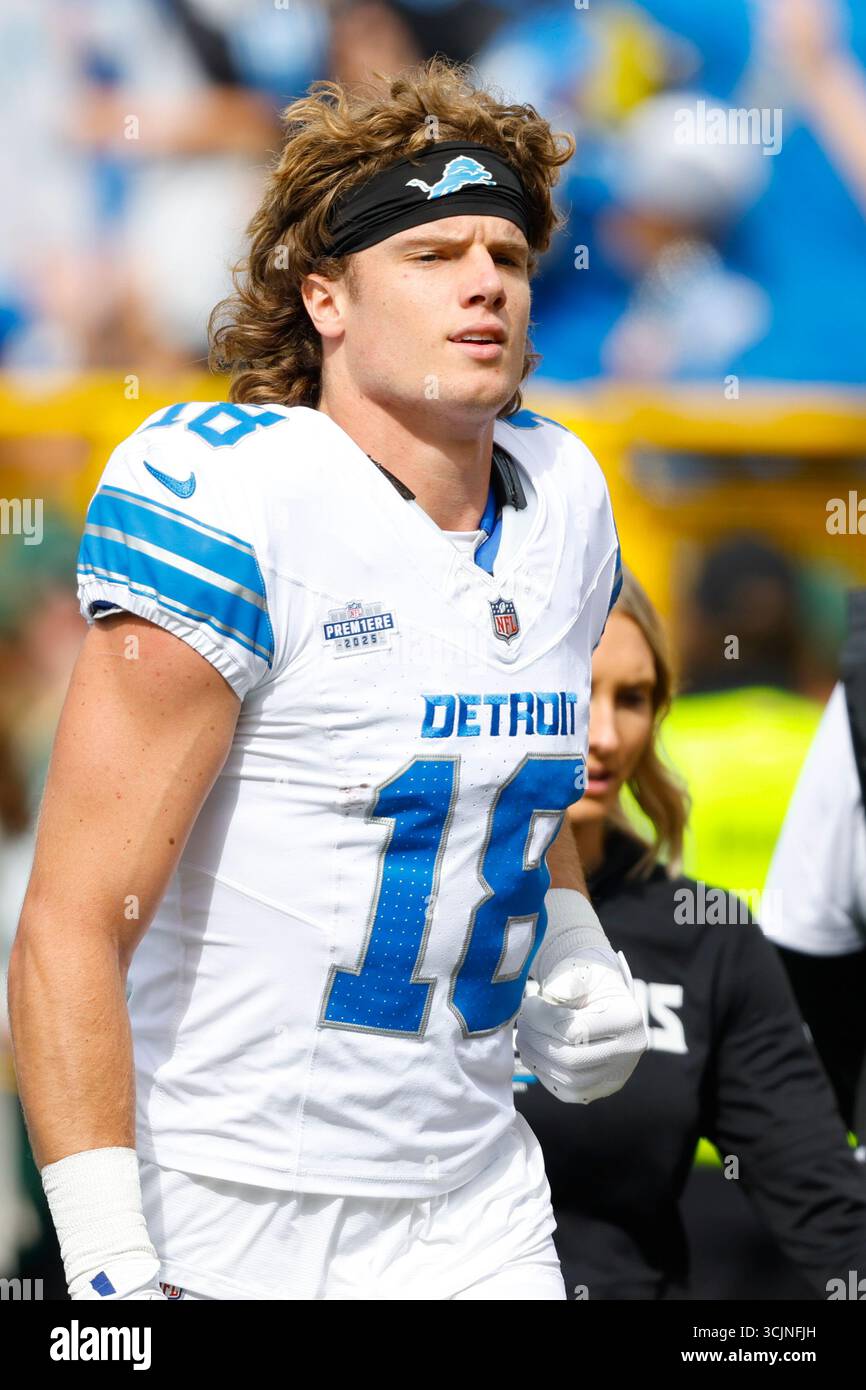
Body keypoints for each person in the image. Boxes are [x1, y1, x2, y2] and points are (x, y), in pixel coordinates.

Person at [7, 57, 646, 1302]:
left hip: (475, 1200)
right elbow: (70, 921)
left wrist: (568, 948)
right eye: (431, 254)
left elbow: (507, 784)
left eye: (507, 258)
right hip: (227, 1204)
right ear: (324, 297)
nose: (483, 283)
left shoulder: (563, 495)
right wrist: (104, 1258)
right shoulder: (246, 502)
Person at [515, 567, 866, 1299]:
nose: (605, 736)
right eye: (578, 690)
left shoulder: (709, 937)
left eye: (634, 698)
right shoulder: (422, 912)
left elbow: (825, 1205)